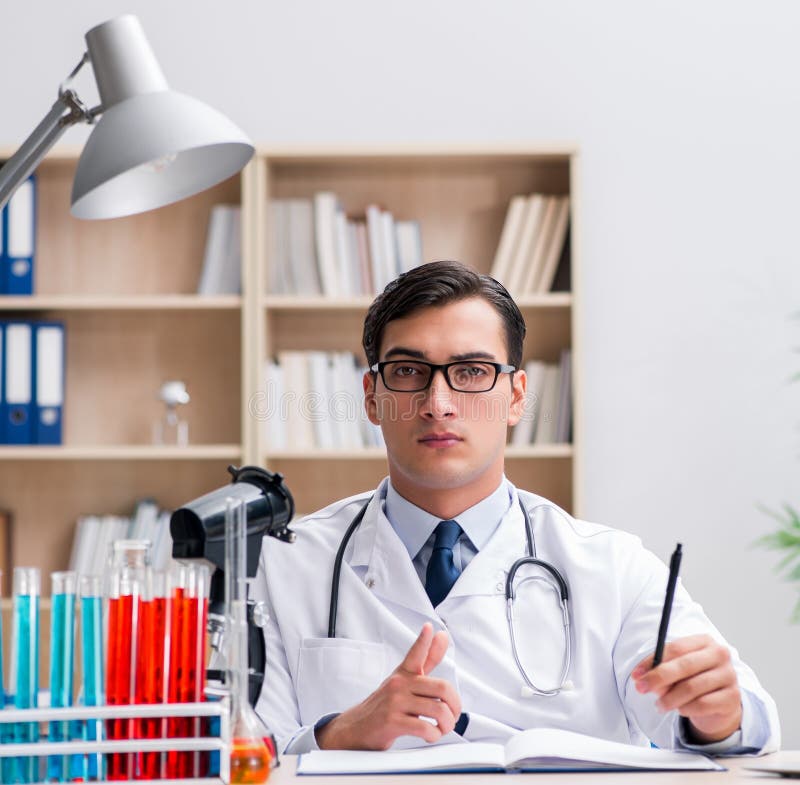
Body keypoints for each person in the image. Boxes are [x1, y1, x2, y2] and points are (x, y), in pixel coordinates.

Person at [252, 260, 779, 755]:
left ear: (516, 396)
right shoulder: (286, 563)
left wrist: (715, 715)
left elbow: (743, 728)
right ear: (372, 397)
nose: (439, 402)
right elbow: (244, 752)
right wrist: (341, 732)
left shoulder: (613, 568)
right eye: (410, 371)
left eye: (473, 370)